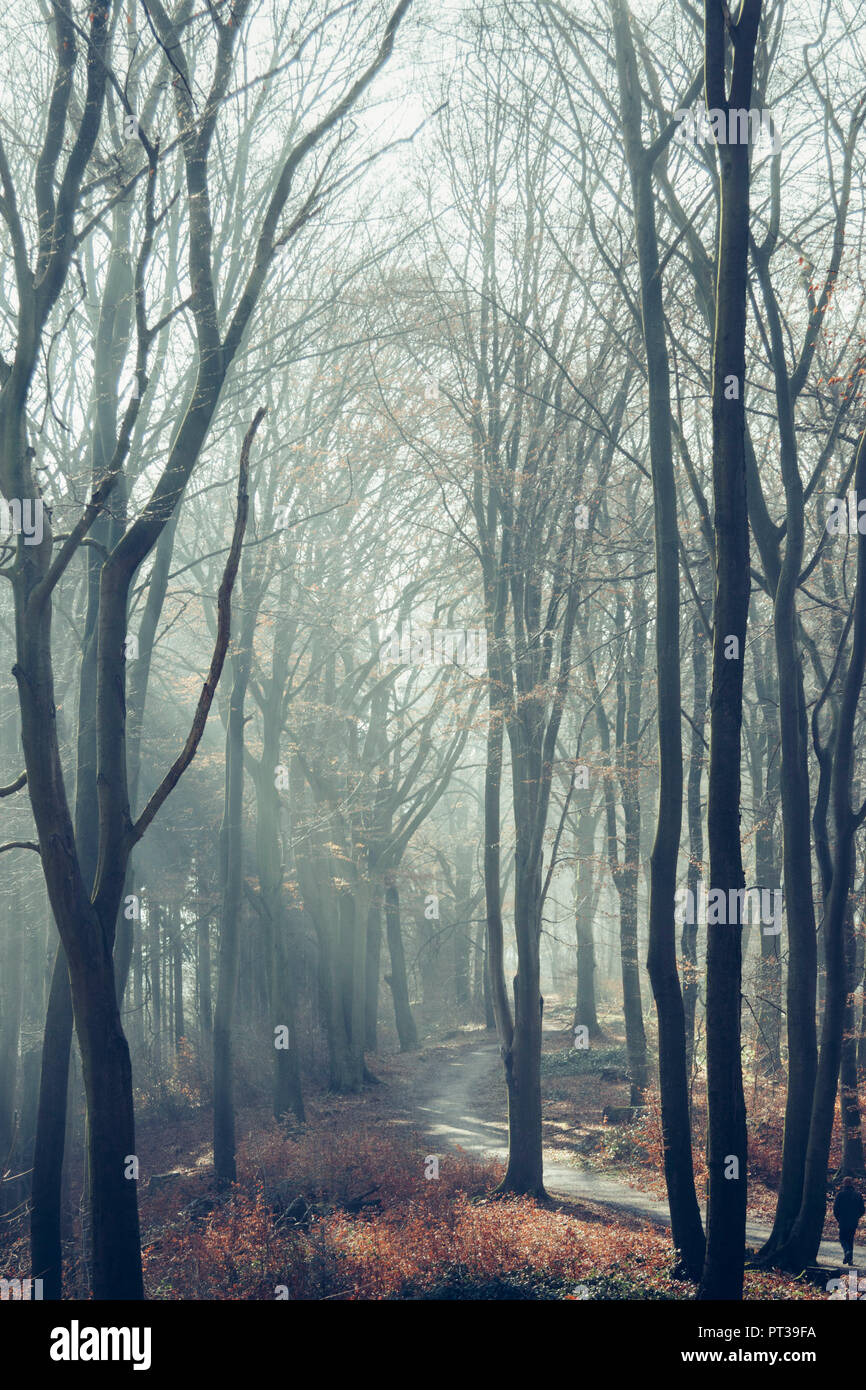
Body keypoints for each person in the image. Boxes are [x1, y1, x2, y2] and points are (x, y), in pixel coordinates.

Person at [833, 1176, 865, 1265]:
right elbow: (862, 1210)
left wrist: (839, 1219)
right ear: (852, 1184)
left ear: (844, 1183)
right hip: (853, 1221)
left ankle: (847, 1251)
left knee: (842, 1238)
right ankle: (850, 1260)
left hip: (843, 1220)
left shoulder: (840, 1195)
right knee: (850, 1239)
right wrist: (856, 1217)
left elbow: (835, 1209)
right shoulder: (858, 1195)